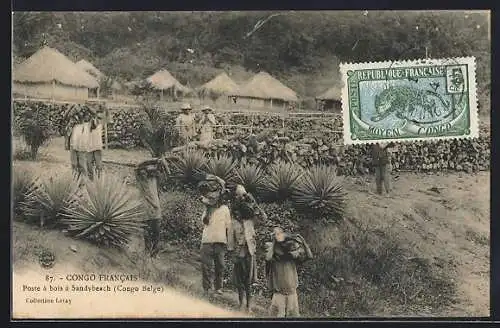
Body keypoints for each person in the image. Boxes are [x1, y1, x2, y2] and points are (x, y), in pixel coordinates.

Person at [228, 185, 267, 313]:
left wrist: (254, 204)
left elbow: (264, 219)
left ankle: (249, 306)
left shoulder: (250, 220)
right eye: (241, 195)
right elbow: (230, 236)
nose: (243, 197)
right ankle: (241, 304)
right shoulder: (233, 220)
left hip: (249, 251)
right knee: (239, 280)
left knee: (248, 281)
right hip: (238, 252)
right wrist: (231, 251)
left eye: (244, 195)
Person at [198, 175, 234, 298]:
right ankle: (206, 288)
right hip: (207, 240)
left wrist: (230, 244)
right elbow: (203, 222)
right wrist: (207, 211)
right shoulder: (207, 209)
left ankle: (218, 288)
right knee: (206, 266)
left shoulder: (225, 209)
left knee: (220, 266)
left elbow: (229, 227)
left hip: (220, 241)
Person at [265, 226, 313, 318]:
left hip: (292, 292)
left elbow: (309, 256)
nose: (277, 235)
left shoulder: (291, 255)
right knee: (278, 316)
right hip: (279, 293)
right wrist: (275, 241)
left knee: (293, 318)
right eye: (275, 234)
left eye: (279, 233)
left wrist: (303, 242)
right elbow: (268, 258)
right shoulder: (273, 254)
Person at [135, 156, 170, 258]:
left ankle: (154, 253)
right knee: (146, 231)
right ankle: (147, 252)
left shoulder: (153, 178)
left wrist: (161, 163)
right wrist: (154, 160)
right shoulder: (139, 177)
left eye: (146, 171)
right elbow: (138, 166)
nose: (144, 173)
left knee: (156, 231)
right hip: (145, 208)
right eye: (143, 171)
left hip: (155, 208)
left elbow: (165, 173)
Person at [87, 106, 104, 180]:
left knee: (96, 164)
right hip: (92, 146)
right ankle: (94, 178)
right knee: (90, 163)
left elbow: (93, 126)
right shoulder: (95, 121)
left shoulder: (96, 122)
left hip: (94, 146)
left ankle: (97, 178)